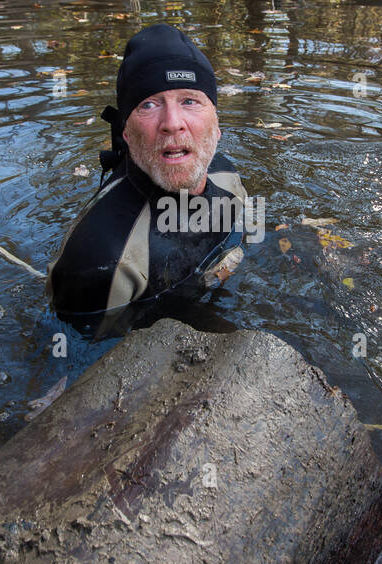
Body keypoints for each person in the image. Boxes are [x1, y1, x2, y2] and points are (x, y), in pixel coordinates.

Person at [46, 22, 248, 332]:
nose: (172, 123)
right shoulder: (99, 262)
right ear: (126, 131)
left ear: (217, 125)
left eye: (190, 101)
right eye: (149, 104)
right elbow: (81, 361)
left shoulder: (227, 176)